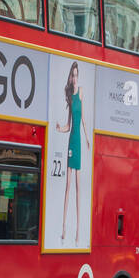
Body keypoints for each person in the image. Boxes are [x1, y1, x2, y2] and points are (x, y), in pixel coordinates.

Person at [54, 62, 92, 244]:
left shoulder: (81, 92)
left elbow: (83, 119)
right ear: (70, 77)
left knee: (78, 187)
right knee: (68, 186)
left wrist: (87, 138)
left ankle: (78, 230)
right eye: (73, 75)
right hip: (71, 140)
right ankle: (63, 228)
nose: (75, 78)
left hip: (78, 141)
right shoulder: (69, 96)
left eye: (77, 75)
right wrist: (60, 128)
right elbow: (69, 125)